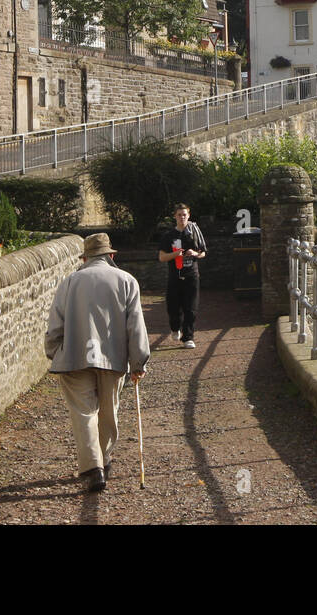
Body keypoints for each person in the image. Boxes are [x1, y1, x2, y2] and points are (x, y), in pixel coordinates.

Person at [45, 233, 149, 493]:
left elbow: (55, 324)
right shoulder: (127, 281)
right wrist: (138, 361)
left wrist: (54, 351)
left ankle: (94, 468)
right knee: (108, 410)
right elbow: (136, 326)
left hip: (73, 357)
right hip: (112, 358)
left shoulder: (70, 282)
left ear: (85, 257)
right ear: (111, 256)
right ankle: (104, 460)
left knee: (84, 413)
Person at [156, 203, 207, 349]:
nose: (182, 217)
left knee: (191, 308)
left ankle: (188, 338)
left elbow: (203, 252)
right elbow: (161, 257)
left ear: (189, 216)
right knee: (173, 308)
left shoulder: (194, 233)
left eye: (184, 214)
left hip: (192, 275)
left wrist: (195, 253)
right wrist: (175, 254)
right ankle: (175, 328)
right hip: (175, 277)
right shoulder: (169, 236)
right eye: (179, 215)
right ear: (175, 217)